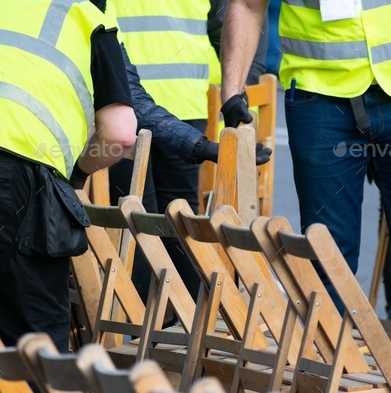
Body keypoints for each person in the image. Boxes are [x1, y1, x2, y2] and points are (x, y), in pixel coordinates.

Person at [220, 0, 391, 362]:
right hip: (321, 100)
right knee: (326, 256)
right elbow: (247, 5)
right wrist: (232, 91)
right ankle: (334, 377)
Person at [0, 0, 137, 391]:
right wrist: (73, 174)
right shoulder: (83, 11)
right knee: (34, 336)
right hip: (13, 174)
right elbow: (119, 133)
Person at [108, 0, 271, 302]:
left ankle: (177, 316)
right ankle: (172, 317)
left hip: (141, 104)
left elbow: (238, 15)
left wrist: (241, 89)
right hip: (139, 104)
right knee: (152, 217)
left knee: (158, 219)